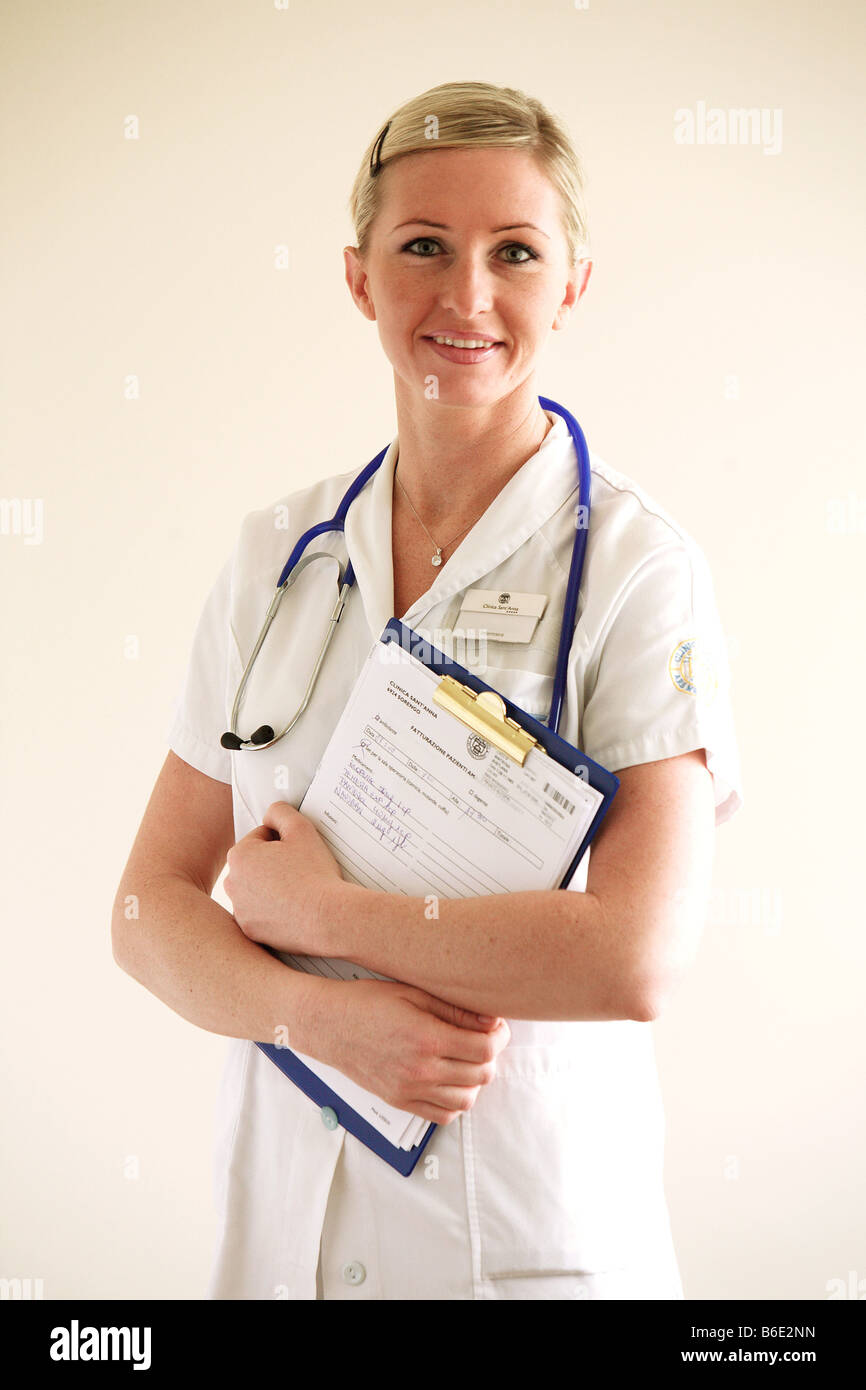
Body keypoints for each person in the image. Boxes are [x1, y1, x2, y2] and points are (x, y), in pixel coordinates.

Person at [112, 80, 743, 1301]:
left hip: (523, 1242)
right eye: (422, 248)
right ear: (359, 278)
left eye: (514, 251)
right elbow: (146, 911)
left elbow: (635, 955)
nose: (465, 296)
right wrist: (312, 1015)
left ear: (571, 285)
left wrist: (326, 915)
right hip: (281, 1236)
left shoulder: (636, 570)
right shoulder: (272, 558)